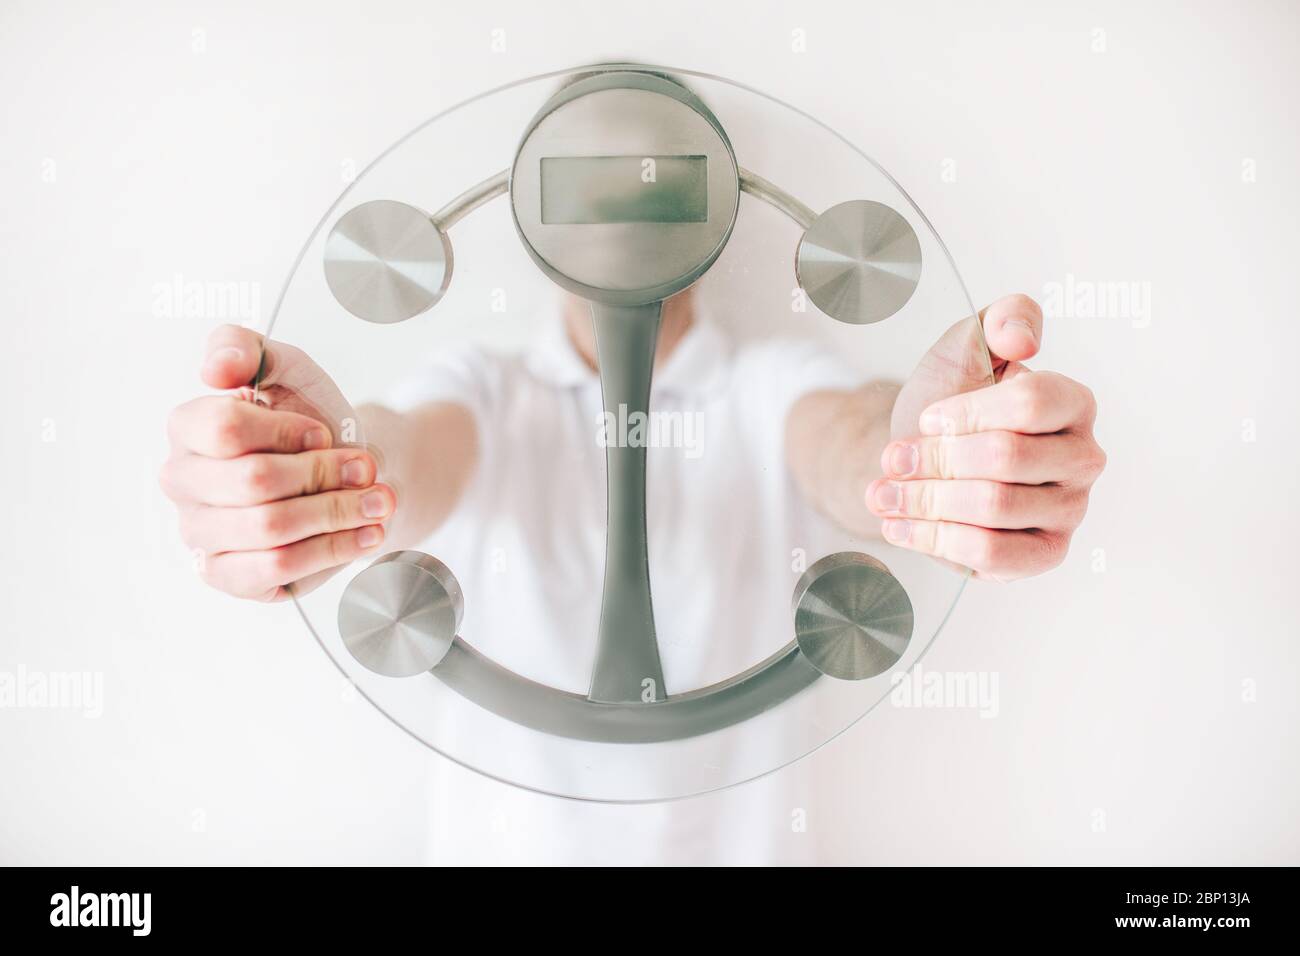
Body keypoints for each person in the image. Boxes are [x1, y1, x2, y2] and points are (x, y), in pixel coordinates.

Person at [160, 289, 1104, 863]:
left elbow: (851, 438)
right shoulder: (483, 385)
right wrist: (325, 465)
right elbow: (405, 450)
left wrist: (930, 453)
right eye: (582, 180)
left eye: (664, 175)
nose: (625, 210)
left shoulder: (772, 379)